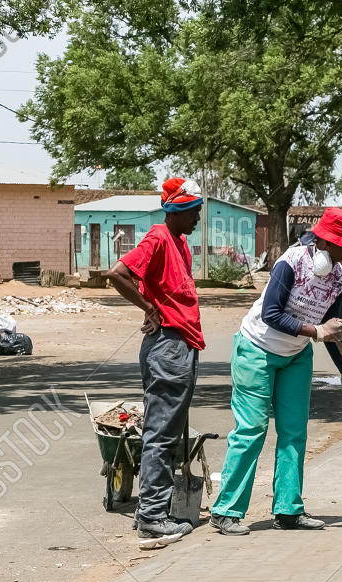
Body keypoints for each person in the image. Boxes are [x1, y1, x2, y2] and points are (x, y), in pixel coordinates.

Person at [208, 207, 342, 535]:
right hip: (256, 350)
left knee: (294, 432)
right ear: (325, 242)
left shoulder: (337, 276)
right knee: (251, 430)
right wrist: (316, 331)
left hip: (295, 356)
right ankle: (225, 511)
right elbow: (271, 313)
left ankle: (288, 510)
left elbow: (331, 330)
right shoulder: (290, 262)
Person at [106, 177, 205, 547]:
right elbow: (118, 274)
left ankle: (153, 511)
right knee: (161, 435)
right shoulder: (159, 238)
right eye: (193, 212)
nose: (197, 219)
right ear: (176, 212)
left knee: (165, 433)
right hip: (169, 347)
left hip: (179, 345)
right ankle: (151, 518)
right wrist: (149, 307)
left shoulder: (179, 242)